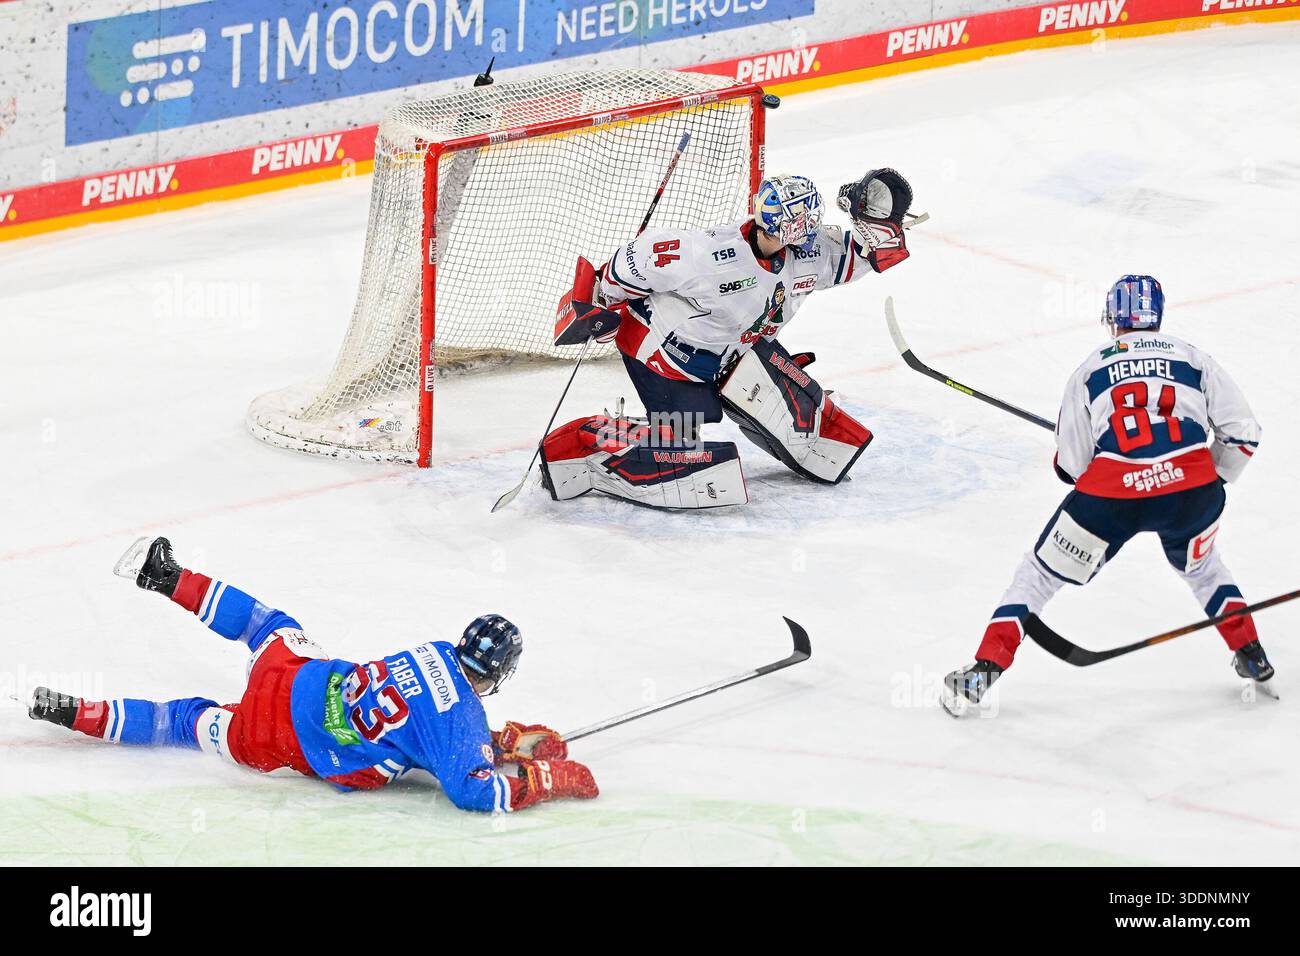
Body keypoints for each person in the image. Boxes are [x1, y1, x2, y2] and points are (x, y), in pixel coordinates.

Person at [28, 537, 598, 811]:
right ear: (500, 673)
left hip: (299, 677)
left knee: (268, 624)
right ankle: (69, 710)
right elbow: (473, 792)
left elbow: (428, 720)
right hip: (282, 741)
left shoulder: (433, 652)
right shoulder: (461, 724)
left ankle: (169, 576)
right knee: (185, 720)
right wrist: (548, 781)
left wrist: (494, 742)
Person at [944, 275, 1271, 713]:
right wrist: (1204, 476)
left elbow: (1074, 467)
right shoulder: (1193, 358)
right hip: (1192, 493)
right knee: (1205, 569)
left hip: (1112, 497)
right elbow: (1244, 434)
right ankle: (1251, 652)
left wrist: (1079, 456)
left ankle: (984, 671)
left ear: (1114, 319)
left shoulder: (1090, 368)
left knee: (1038, 576)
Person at [539, 170, 916, 509]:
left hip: (737, 354)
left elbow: (870, 253)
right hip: (669, 361)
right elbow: (633, 260)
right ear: (787, 225)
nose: (815, 225)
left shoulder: (810, 253)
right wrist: (600, 302)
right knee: (685, 466)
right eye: (806, 218)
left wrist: (878, 216)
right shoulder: (705, 254)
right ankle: (586, 449)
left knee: (815, 434)